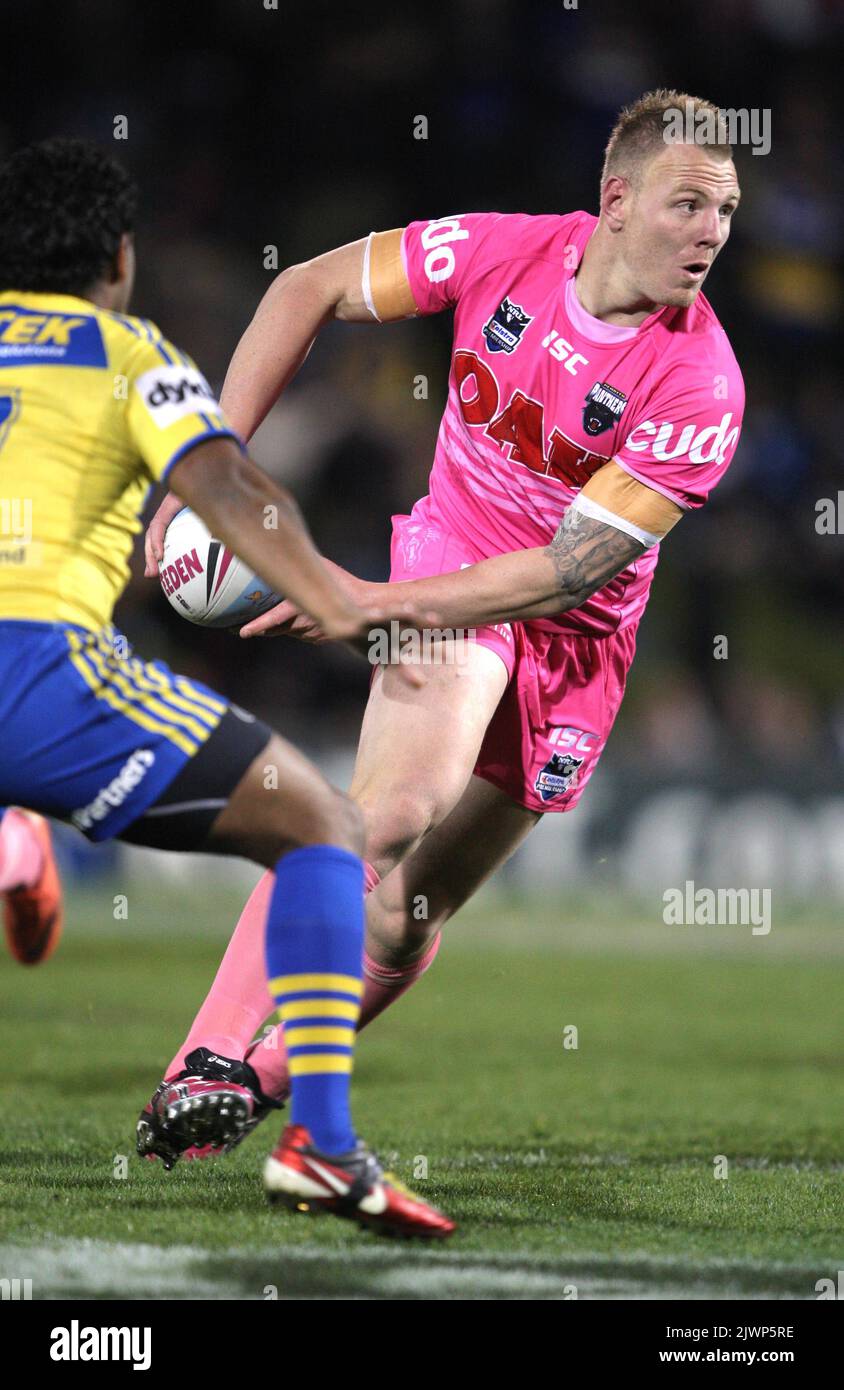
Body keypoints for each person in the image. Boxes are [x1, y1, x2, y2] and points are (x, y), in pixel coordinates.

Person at [140, 88, 744, 1160]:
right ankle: (206, 1059)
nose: (708, 235)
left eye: (725, 212)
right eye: (686, 203)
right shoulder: (498, 254)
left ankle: (254, 1085)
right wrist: (209, 465)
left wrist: (363, 605)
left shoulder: (702, 386)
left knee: (409, 916)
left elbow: (565, 573)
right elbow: (307, 285)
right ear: (615, 200)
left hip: (571, 637)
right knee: (388, 813)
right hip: (452, 562)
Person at [0, 136, 454, 1238]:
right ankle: (324, 1148)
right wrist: (350, 606)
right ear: (119, 255)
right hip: (37, 672)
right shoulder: (125, 351)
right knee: (325, 832)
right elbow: (227, 488)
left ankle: (13, 833)